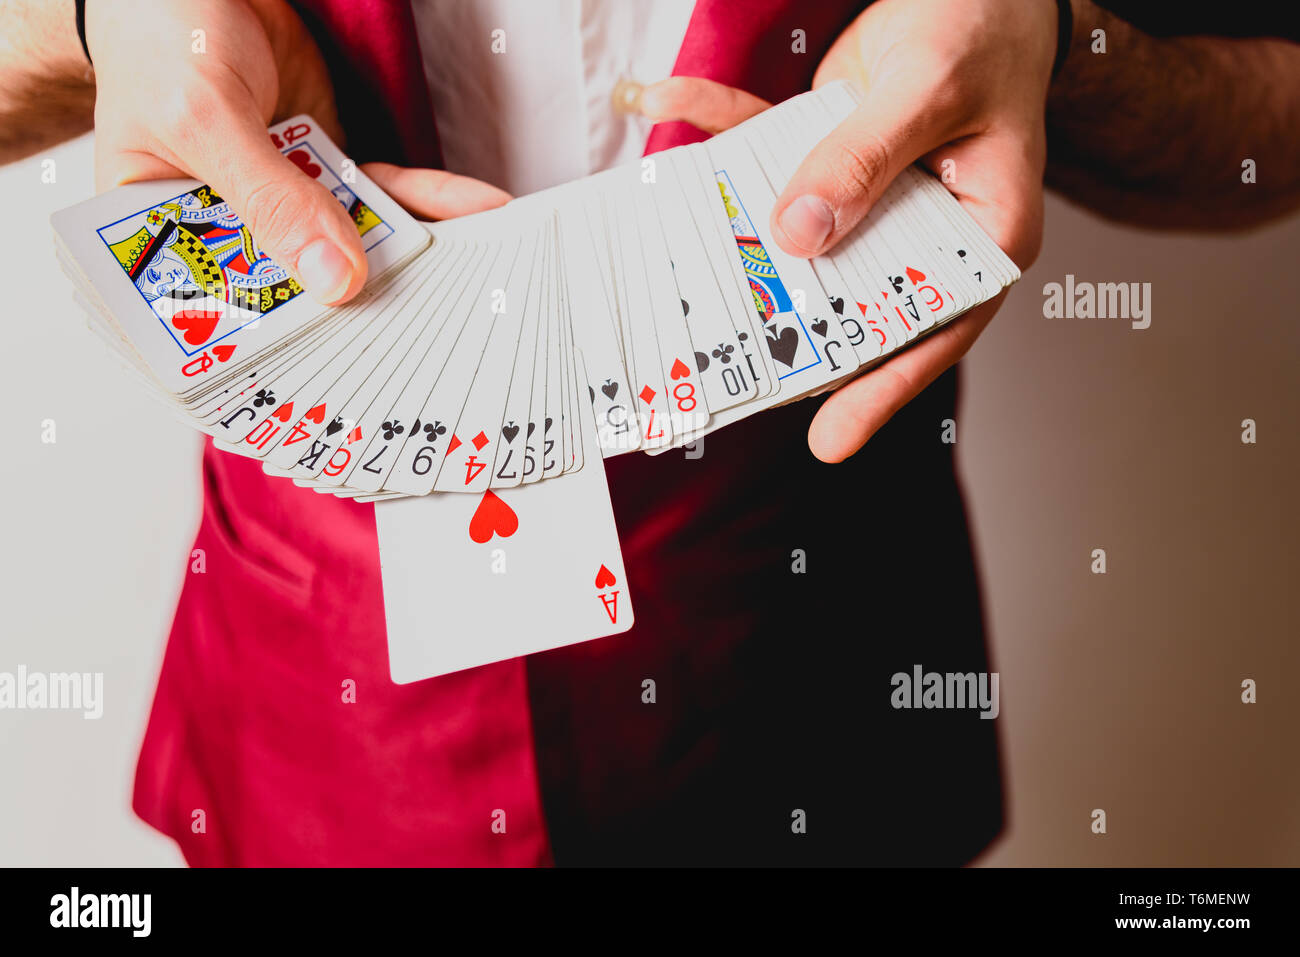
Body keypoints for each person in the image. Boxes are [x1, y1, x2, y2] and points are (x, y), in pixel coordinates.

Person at [2, 0, 1296, 865]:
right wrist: (90, 21)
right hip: (315, 730)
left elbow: (1267, 110)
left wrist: (1053, 37)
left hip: (811, 706)